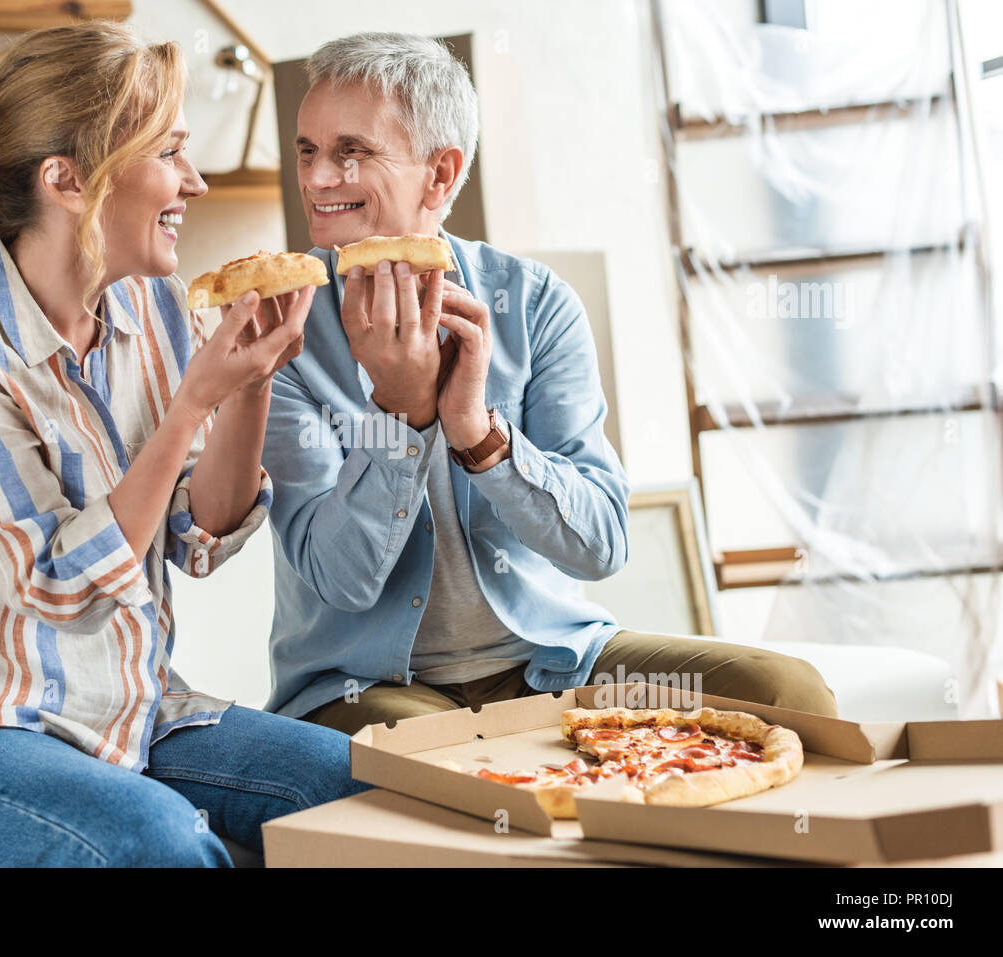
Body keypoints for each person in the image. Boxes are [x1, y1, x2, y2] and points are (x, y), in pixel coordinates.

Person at [0, 21, 367, 868]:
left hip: (136, 715)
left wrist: (249, 381)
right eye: (169, 153)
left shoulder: (158, 309)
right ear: (69, 180)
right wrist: (193, 398)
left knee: (365, 792)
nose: (192, 182)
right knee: (156, 839)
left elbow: (202, 536)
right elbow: (58, 584)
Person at [261, 32, 839, 734]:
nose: (319, 179)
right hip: (365, 685)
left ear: (441, 175)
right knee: (435, 756)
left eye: (351, 152)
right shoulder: (282, 327)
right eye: (308, 151)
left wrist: (481, 438)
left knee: (787, 691)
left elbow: (600, 543)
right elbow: (341, 578)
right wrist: (400, 413)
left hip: (550, 659)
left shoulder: (534, 305)